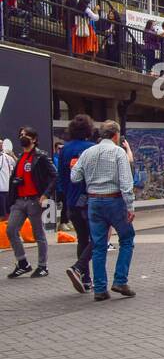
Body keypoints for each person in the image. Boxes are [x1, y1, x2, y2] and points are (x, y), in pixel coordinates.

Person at [70, 120, 136, 300]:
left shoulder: (87, 153)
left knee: (98, 245)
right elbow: (125, 182)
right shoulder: (118, 153)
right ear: (116, 135)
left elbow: (74, 177)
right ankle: (120, 280)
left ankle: (100, 288)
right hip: (114, 201)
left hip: (93, 202)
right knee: (127, 238)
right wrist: (130, 206)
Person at [6, 125, 56, 279]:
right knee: (11, 230)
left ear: (34, 139)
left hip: (34, 200)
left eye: (26, 135)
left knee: (38, 234)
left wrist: (45, 195)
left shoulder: (41, 157)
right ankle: (23, 263)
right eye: (21, 134)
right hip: (19, 201)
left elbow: (55, 175)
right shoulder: (20, 157)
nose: (22, 136)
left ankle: (42, 266)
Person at [58, 114, 97, 292]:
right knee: (98, 237)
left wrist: (66, 200)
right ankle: (79, 267)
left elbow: (62, 178)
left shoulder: (65, 150)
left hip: (72, 200)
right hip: (90, 199)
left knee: (82, 238)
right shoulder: (92, 148)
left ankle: (86, 279)